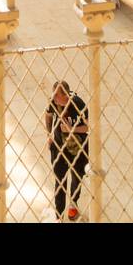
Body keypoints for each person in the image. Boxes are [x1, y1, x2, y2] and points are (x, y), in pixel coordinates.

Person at [45, 81, 89, 222]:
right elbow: (48, 115)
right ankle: (59, 217)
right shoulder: (54, 102)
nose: (53, 98)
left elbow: (89, 127)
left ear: (65, 95)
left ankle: (73, 204)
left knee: (76, 178)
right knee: (60, 183)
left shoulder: (78, 104)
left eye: (56, 96)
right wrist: (49, 134)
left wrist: (72, 129)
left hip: (78, 148)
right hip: (59, 148)